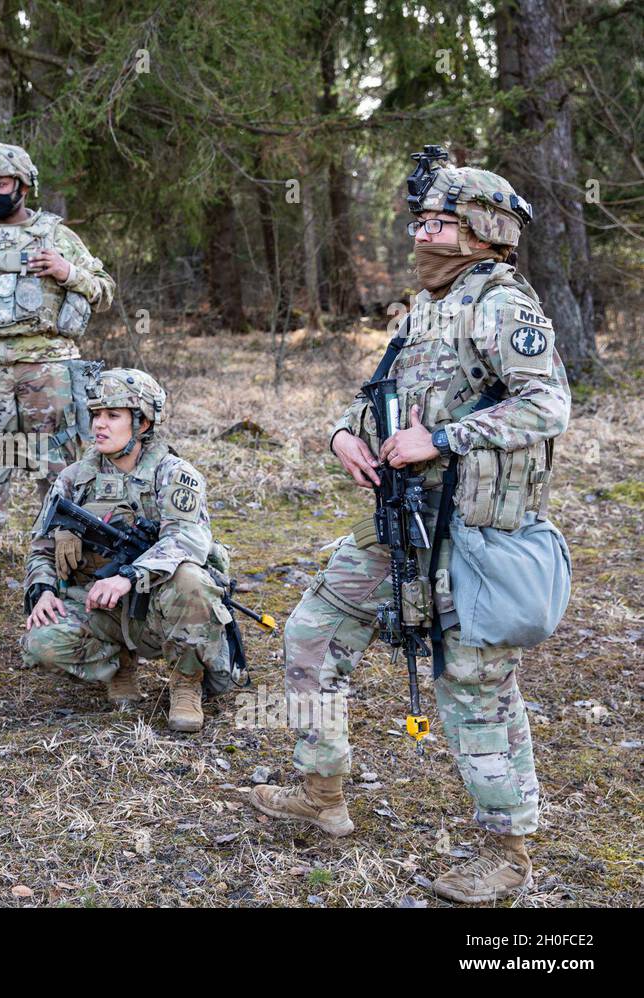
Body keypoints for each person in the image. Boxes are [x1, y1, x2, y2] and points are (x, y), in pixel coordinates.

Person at [249, 149, 571, 904]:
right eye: (419, 222)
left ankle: (510, 855)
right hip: (398, 526)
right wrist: (344, 436)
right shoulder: (431, 306)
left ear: (486, 234)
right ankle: (322, 795)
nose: (422, 237)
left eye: (439, 224)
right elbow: (383, 396)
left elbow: (547, 405)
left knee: (473, 688)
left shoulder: (502, 303)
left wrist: (444, 440)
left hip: (473, 537)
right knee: (313, 632)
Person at [0, 137, 115, 611]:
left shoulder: (57, 237)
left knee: (58, 470)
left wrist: (69, 271)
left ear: (24, 187)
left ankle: (61, 562)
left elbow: (104, 290)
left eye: (3, 182)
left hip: (48, 371)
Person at [21, 369, 238, 733]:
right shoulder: (75, 478)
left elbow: (188, 539)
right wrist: (42, 591)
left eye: (113, 415)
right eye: (96, 415)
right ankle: (120, 664)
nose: (99, 425)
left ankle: (187, 681)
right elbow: (41, 546)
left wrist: (130, 575)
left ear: (143, 422)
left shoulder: (174, 474)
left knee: (192, 579)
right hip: (99, 605)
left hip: (161, 607)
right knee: (40, 641)